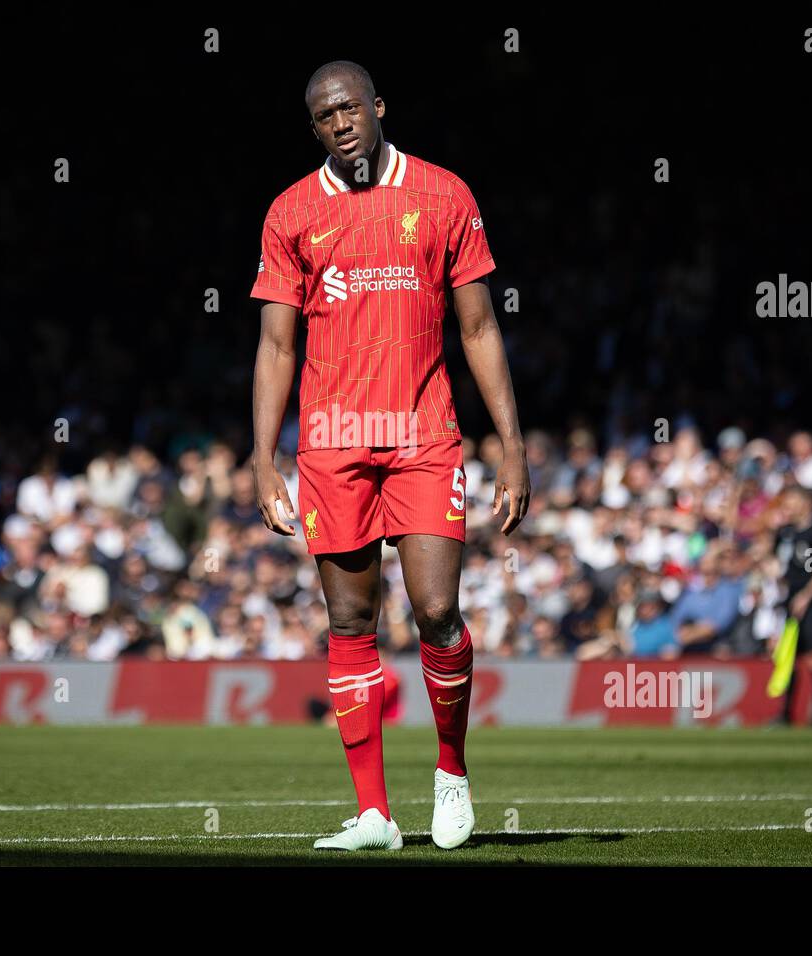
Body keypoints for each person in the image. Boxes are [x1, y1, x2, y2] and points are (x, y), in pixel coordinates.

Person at [249, 61, 530, 851]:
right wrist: (264, 459)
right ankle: (374, 813)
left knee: (437, 612)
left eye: (349, 106)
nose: (339, 121)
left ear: (377, 106)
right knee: (348, 618)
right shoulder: (291, 212)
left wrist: (512, 447)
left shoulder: (444, 195)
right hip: (331, 446)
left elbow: (478, 329)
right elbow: (276, 345)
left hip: (424, 437)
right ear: (314, 128)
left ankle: (451, 774)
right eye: (323, 115)